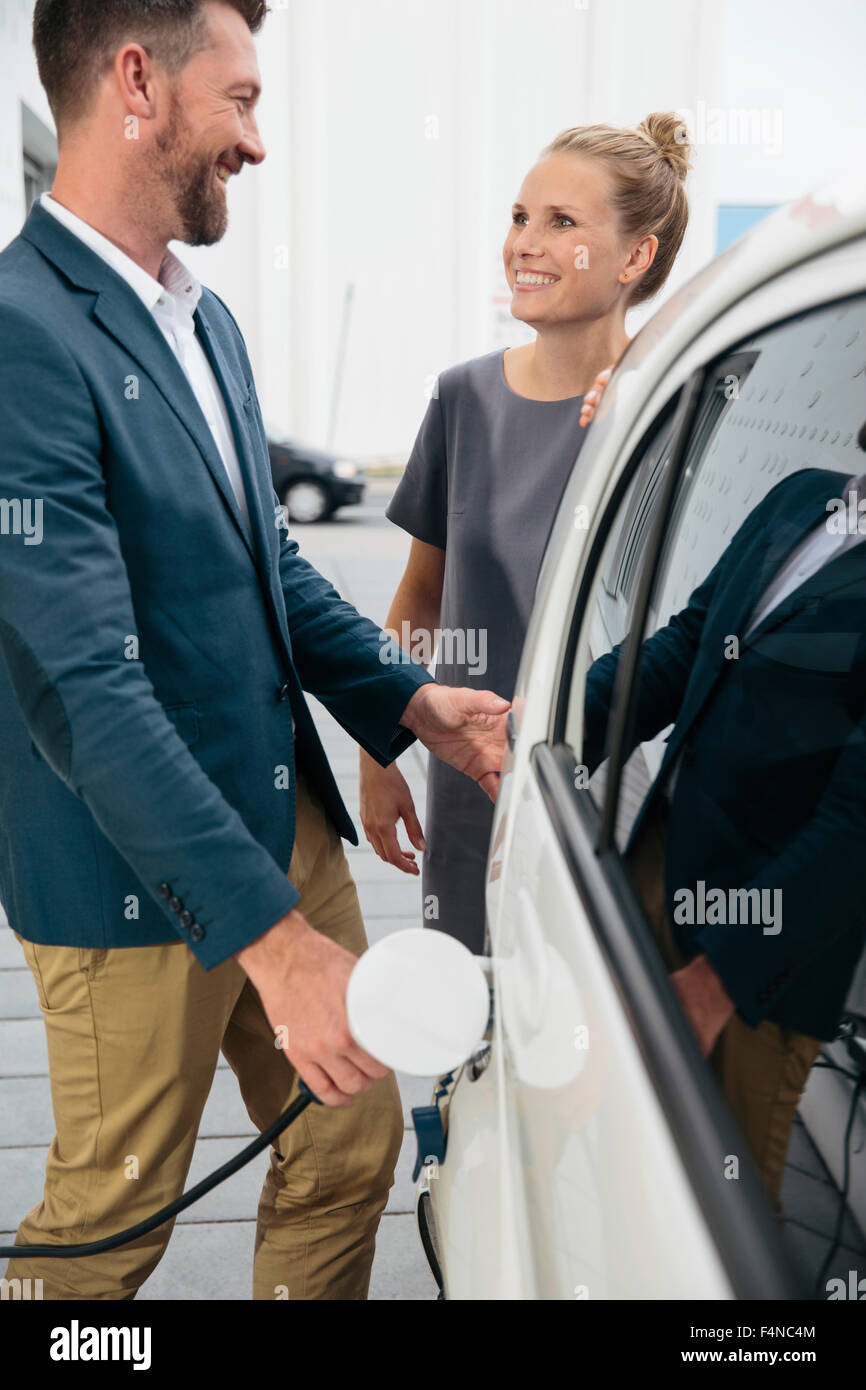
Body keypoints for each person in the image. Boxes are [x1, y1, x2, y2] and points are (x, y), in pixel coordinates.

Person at [0, 0, 509, 1301]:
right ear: (135, 81)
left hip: (278, 820)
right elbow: (84, 688)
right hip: (126, 865)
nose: (259, 141)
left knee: (347, 1141)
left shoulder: (202, 320)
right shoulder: (19, 339)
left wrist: (407, 703)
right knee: (111, 1214)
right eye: (240, 99)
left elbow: (265, 568)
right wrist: (274, 946)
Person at [361, 115, 691, 953]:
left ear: (636, 258)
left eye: (562, 222)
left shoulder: (673, 414)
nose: (526, 244)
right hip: (471, 785)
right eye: (519, 217)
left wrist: (652, 385)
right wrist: (379, 749)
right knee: (473, 1025)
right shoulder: (462, 399)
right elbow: (421, 598)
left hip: (613, 793)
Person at [583, 463, 866, 1211]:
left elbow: (856, 829)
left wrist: (712, 989)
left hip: (762, 959)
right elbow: (686, 645)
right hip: (659, 865)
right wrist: (545, 730)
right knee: (624, 1152)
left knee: (722, 1205)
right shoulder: (803, 495)